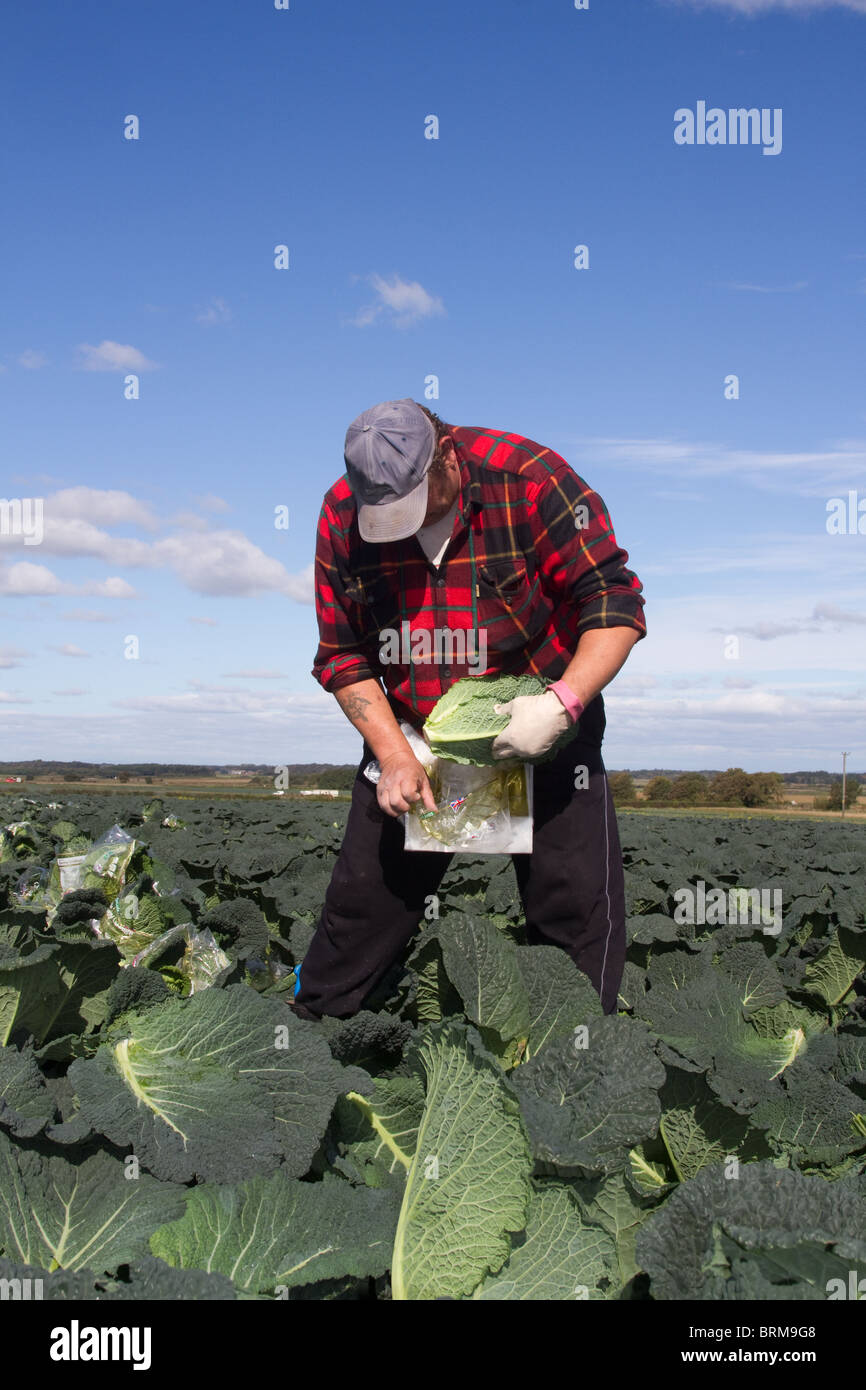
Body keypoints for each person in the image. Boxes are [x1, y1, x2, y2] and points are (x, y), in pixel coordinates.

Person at [292, 397, 646, 1021]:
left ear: (448, 458)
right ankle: (317, 1036)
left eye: (412, 504)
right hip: (419, 736)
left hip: (547, 729)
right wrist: (396, 757)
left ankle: (578, 1055)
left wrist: (561, 704)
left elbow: (613, 604)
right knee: (361, 911)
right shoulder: (344, 514)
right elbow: (343, 655)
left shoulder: (533, 481)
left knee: (573, 913)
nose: (398, 526)